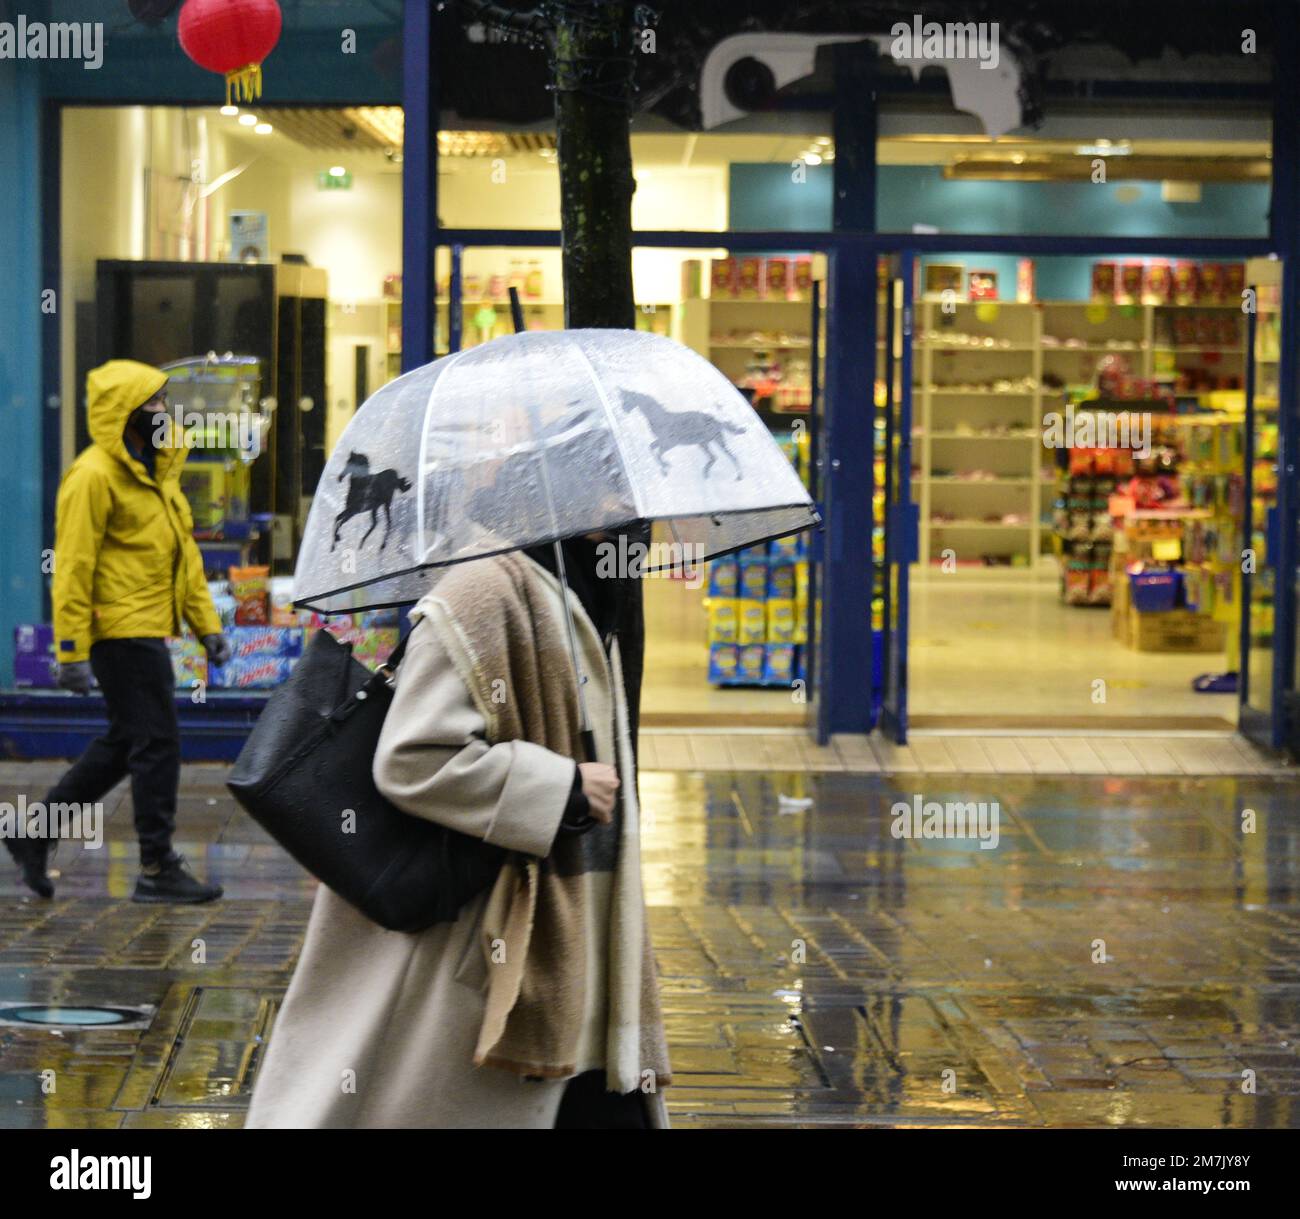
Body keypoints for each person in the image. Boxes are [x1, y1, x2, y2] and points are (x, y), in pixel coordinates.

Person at [245, 533, 671, 1128]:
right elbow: (412, 756)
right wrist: (562, 788)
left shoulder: (596, 589)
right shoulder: (485, 588)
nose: (634, 512)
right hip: (496, 929)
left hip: (585, 933)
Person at [3, 360, 230, 903]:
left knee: (127, 741)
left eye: (162, 402)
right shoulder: (93, 475)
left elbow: (184, 558)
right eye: (151, 404)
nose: (161, 412)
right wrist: (70, 650)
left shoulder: (156, 474)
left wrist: (206, 625)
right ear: (124, 414)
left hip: (148, 626)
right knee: (158, 742)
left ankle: (33, 835)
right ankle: (156, 866)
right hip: (119, 632)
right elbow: (73, 566)